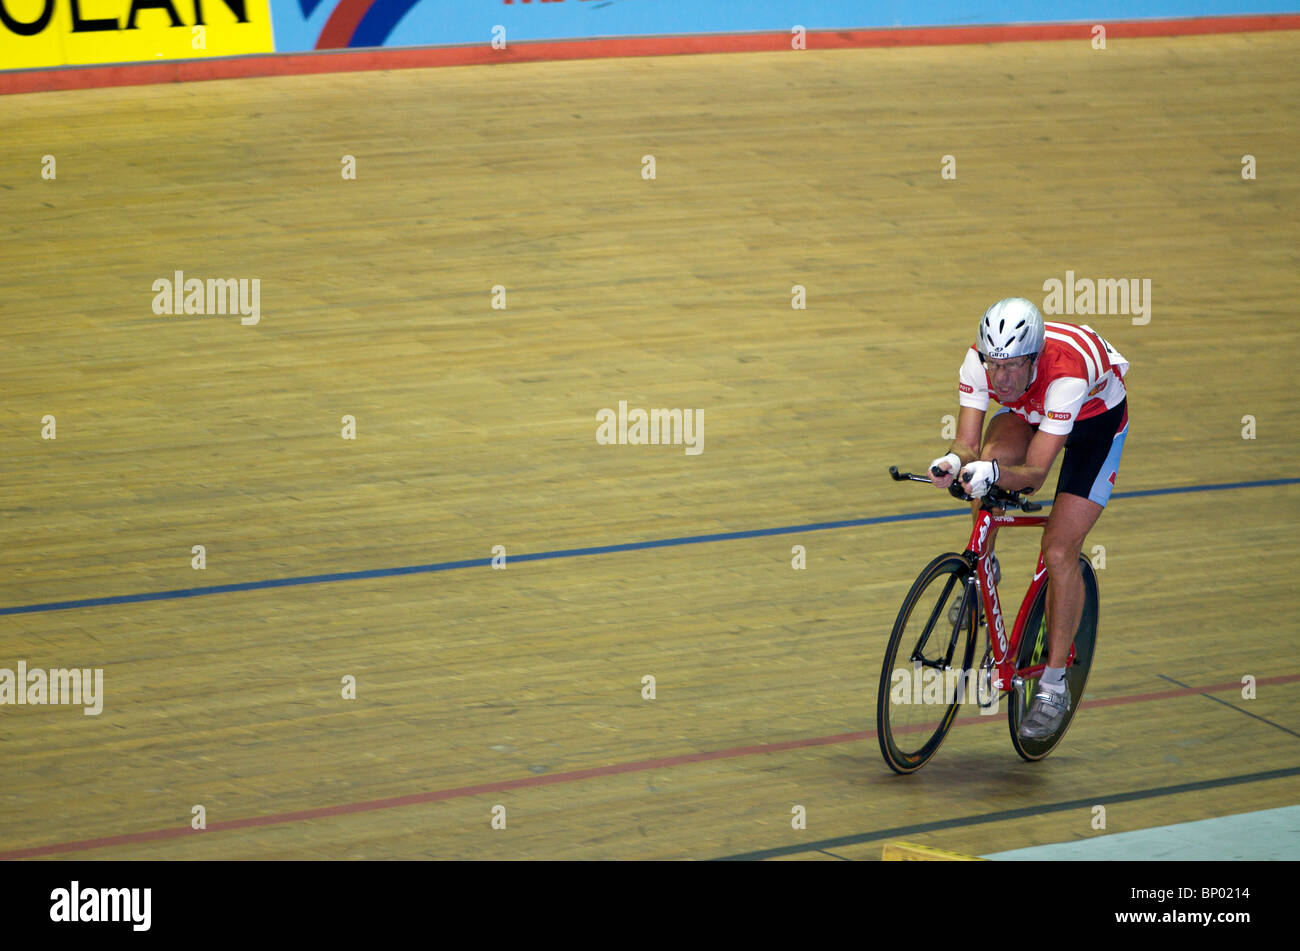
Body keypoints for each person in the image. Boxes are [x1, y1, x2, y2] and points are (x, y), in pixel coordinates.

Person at [929, 298, 1129, 739]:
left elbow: (1035, 474)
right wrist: (951, 461)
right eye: (994, 366)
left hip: (1095, 425)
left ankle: (1054, 685)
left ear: (1034, 359)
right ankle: (985, 570)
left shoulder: (1066, 375)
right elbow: (966, 441)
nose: (1000, 378)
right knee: (987, 458)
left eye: (1012, 367)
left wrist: (996, 476)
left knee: (1059, 550)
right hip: (1034, 412)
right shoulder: (980, 362)